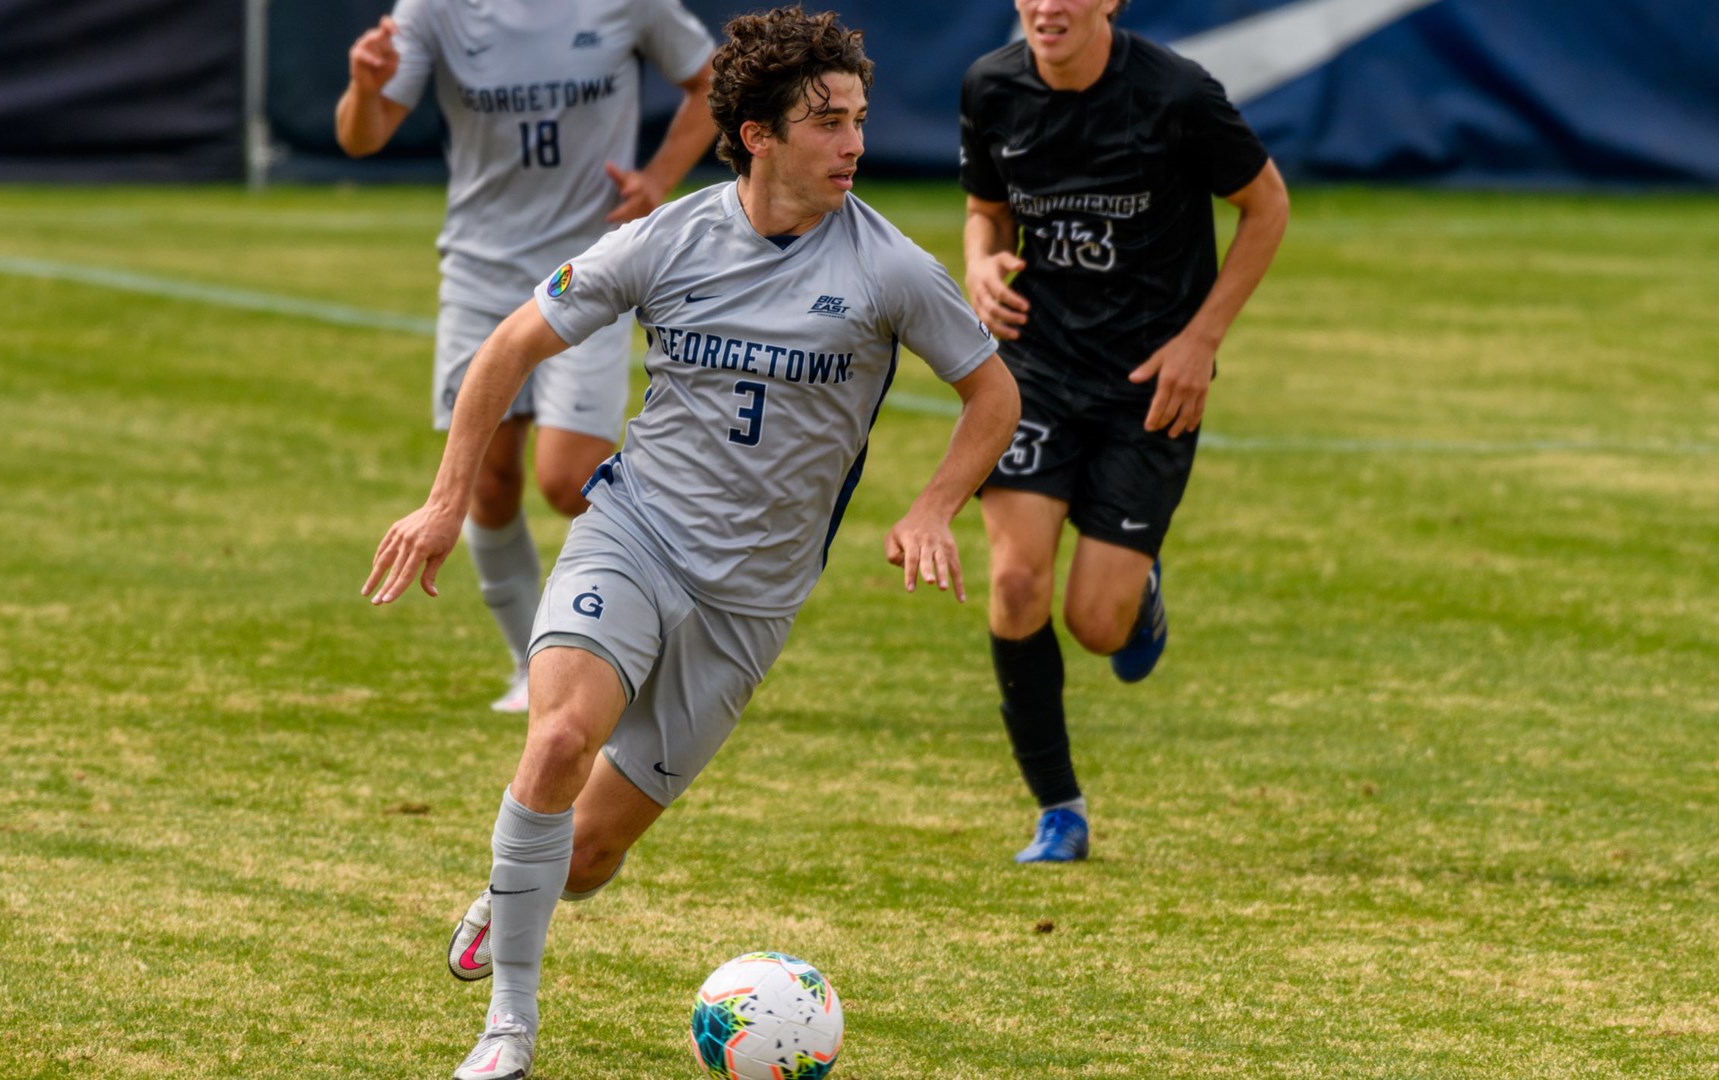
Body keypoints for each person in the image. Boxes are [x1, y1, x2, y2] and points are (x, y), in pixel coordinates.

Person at [363, 8, 1020, 1075]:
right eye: (825, 122)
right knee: (557, 742)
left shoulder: (890, 269)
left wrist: (931, 507)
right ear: (758, 133)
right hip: (634, 534)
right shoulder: (663, 238)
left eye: (856, 119)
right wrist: (442, 502)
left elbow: (990, 394)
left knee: (586, 856)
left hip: (750, 603)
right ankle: (509, 1031)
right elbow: (508, 347)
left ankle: (506, 889)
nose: (852, 141)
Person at [959, 0, 1289, 862]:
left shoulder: (1176, 93)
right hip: (1032, 371)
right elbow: (985, 209)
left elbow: (1267, 207)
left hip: (1150, 380)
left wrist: (1200, 339)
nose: (1048, 6)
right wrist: (980, 260)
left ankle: (1134, 592)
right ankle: (1057, 808)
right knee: (1016, 584)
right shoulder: (991, 86)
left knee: (1096, 625)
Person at [337, 0, 719, 713]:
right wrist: (364, 86)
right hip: (481, 274)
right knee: (485, 481)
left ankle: (668, 613)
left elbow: (711, 80)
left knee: (568, 478)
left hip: (592, 267)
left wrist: (659, 179)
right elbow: (363, 138)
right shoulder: (434, 12)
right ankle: (530, 667)